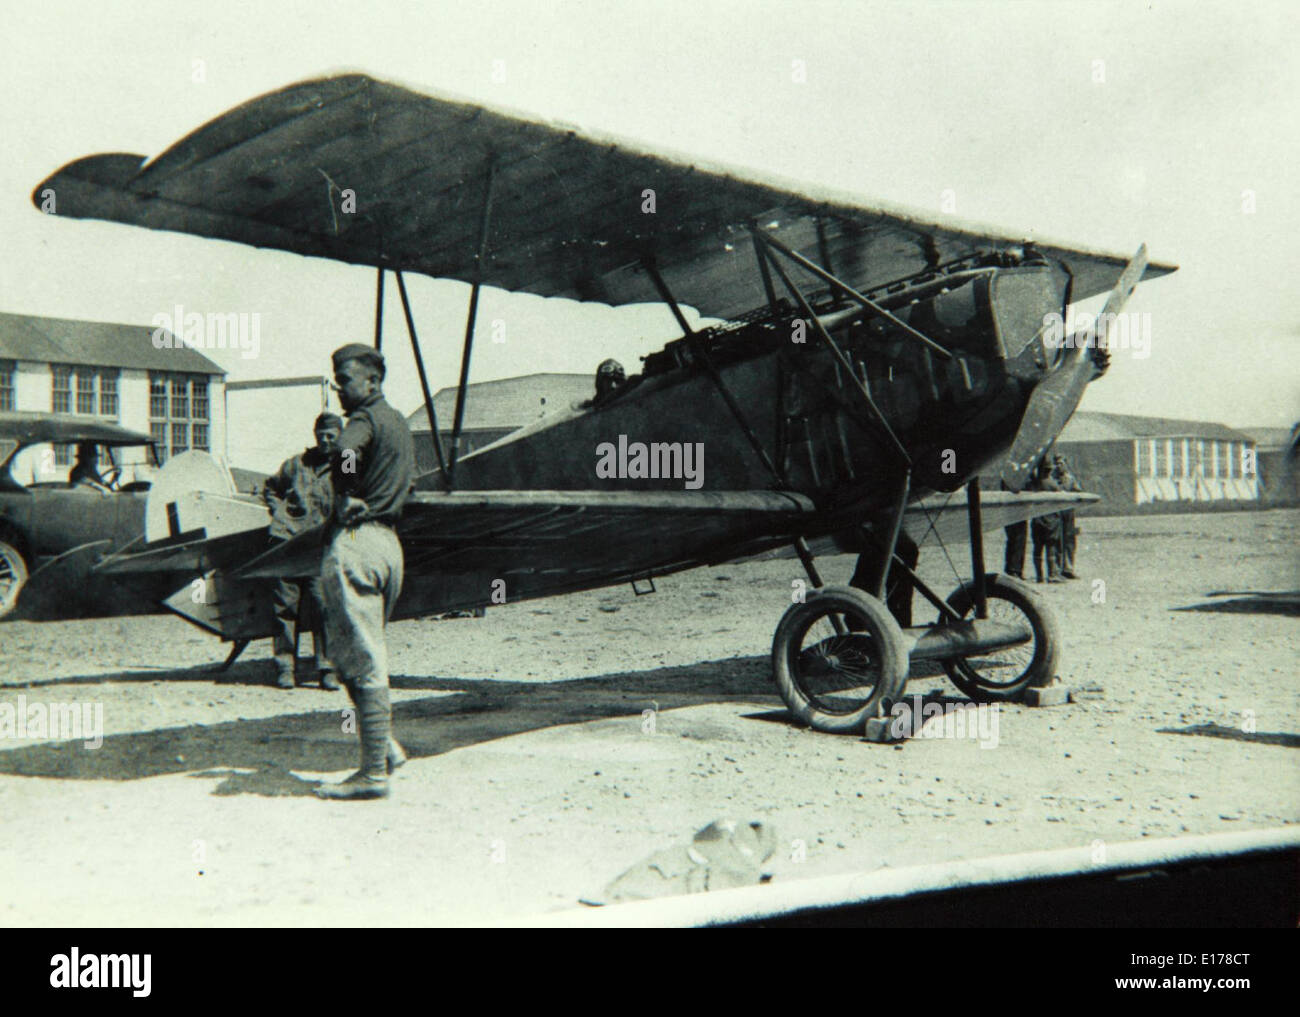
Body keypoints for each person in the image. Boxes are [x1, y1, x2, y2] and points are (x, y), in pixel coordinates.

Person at [315, 343, 415, 801]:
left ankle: (373, 773)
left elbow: (343, 452)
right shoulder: (398, 422)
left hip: (358, 541)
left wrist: (345, 494)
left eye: (345, 379)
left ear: (372, 380)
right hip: (389, 545)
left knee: (363, 659)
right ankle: (385, 746)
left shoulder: (364, 419)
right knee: (353, 653)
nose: (339, 388)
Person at [261, 413, 342, 690]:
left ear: (340, 436)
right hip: (288, 542)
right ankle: (285, 667)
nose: (325, 440)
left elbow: (356, 493)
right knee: (285, 606)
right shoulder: (297, 464)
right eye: (321, 435)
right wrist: (279, 513)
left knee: (324, 605)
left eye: (331, 435)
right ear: (315, 434)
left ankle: (327, 668)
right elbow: (271, 488)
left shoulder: (346, 464)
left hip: (321, 547)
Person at [1029, 457, 1063, 583]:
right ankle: (1052, 575)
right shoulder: (1053, 485)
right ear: (1050, 470)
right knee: (1051, 548)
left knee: (1037, 549)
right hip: (1051, 521)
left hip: (1037, 520)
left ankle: (1039, 576)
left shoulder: (1035, 483)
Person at [1051, 453, 1083, 579]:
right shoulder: (1051, 479)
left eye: (1061, 463)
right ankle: (1057, 568)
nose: (1059, 466)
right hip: (1056, 514)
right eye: (1057, 463)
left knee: (1069, 540)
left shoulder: (1070, 478)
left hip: (1069, 514)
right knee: (1057, 541)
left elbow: (1078, 491)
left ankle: (1068, 568)